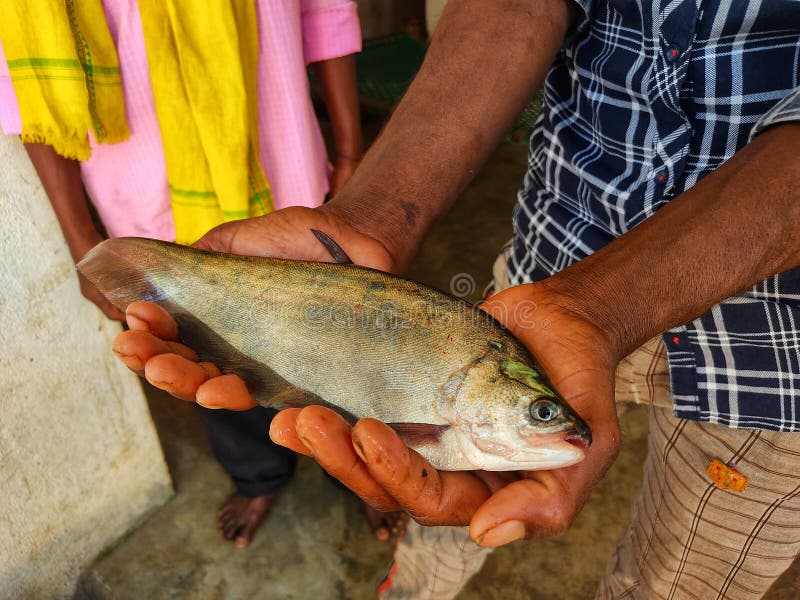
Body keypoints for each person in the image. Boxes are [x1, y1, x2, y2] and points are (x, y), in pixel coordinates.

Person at [113, 0, 800, 598]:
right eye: (538, 407)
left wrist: (598, 311)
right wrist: (375, 213)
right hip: (553, 256)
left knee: (682, 584)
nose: (548, 418)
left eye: (539, 410)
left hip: (776, 350)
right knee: (435, 525)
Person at [0, 0, 397, 549]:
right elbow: (31, 88)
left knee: (341, 354)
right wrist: (82, 242)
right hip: (153, 220)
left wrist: (352, 155)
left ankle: (354, 472)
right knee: (210, 371)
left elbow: (324, 11)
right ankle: (259, 476)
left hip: (290, 188)